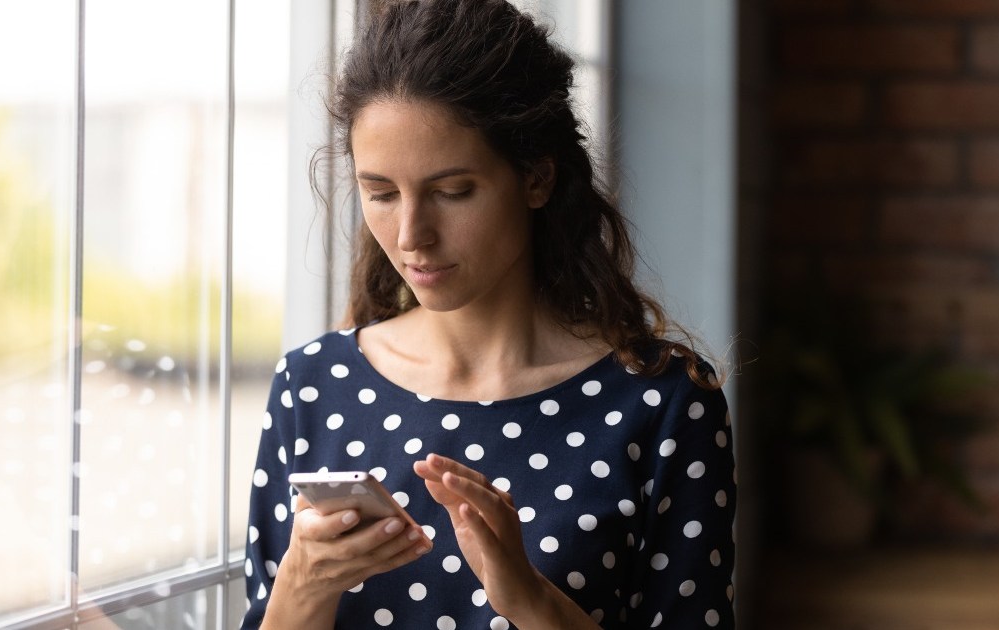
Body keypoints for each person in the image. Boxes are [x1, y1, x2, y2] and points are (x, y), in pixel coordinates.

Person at [240, 0, 736, 628]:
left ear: (536, 178)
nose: (412, 234)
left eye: (452, 192)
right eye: (381, 193)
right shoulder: (311, 385)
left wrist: (529, 599)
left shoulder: (661, 403)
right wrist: (302, 589)